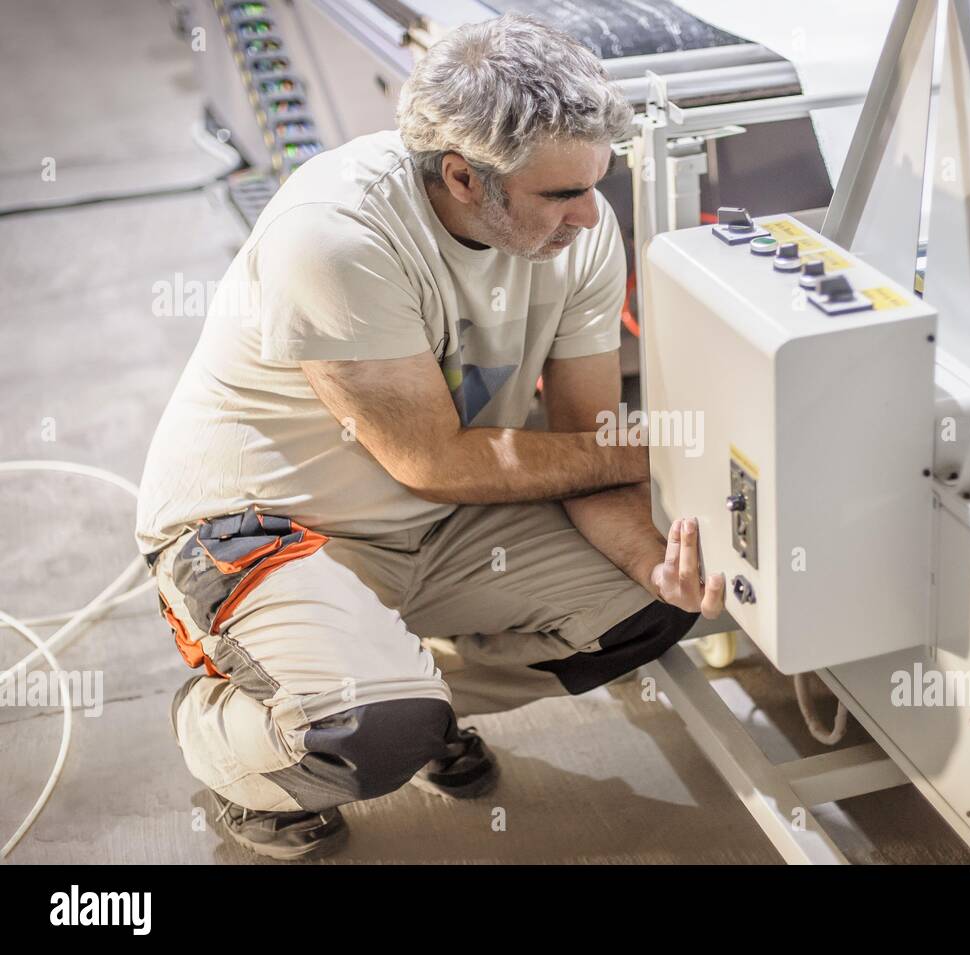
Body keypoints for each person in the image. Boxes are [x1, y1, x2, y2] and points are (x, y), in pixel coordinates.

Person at [135, 13, 725, 860]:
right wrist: (676, 447)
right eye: (562, 193)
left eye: (597, 184)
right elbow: (432, 458)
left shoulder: (576, 236)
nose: (591, 217)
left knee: (648, 609)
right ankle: (243, 738)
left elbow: (585, 445)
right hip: (269, 526)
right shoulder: (339, 235)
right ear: (462, 176)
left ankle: (408, 698)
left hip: (442, 519)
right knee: (362, 735)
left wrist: (652, 562)